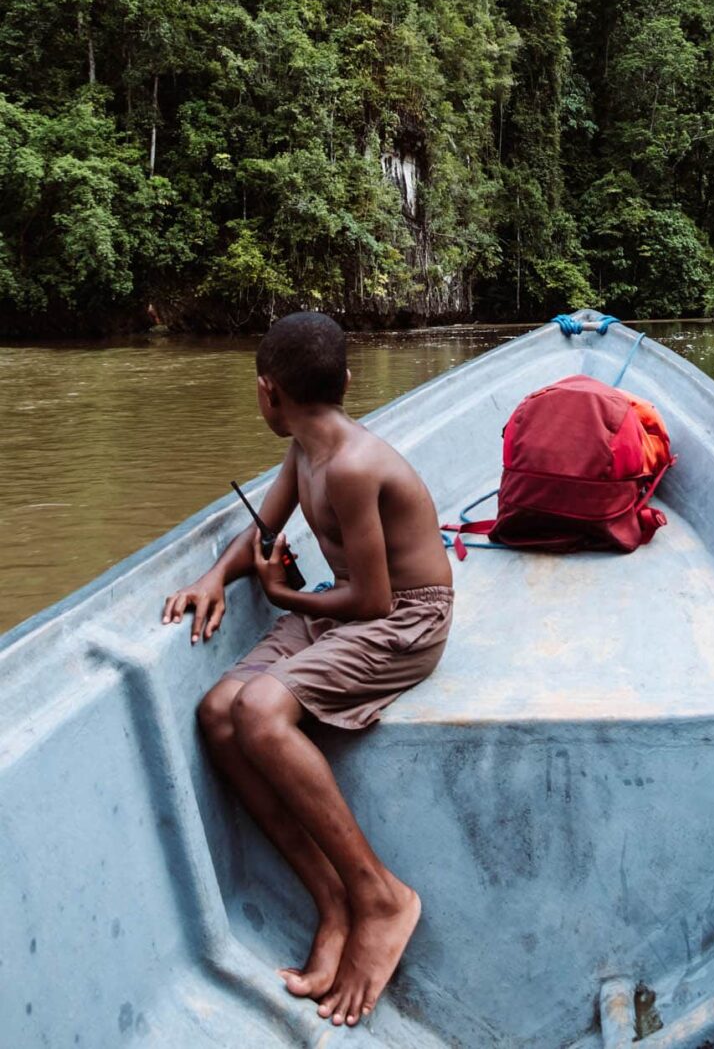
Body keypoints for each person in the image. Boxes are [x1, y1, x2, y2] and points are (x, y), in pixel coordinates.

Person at [162, 311, 453, 1030]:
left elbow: (379, 597)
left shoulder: (352, 465)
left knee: (260, 709)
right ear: (346, 381)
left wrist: (282, 594)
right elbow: (265, 531)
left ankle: (382, 897)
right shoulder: (305, 449)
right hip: (343, 608)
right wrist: (213, 576)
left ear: (267, 393)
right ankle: (332, 902)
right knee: (218, 712)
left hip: (406, 618)